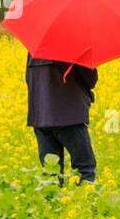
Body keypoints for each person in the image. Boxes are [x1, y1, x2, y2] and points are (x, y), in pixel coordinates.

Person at [26, 54, 98, 184]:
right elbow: (90, 80)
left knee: (51, 173)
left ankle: (53, 202)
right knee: (85, 169)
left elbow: (29, 79)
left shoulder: (35, 50)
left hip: (41, 115)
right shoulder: (75, 46)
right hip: (70, 116)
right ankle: (85, 201)